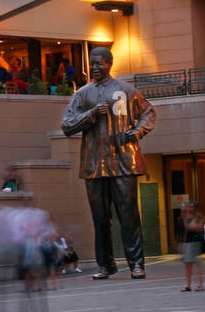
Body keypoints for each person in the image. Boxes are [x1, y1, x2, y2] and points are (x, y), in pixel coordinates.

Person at [60, 45, 157, 279]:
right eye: (91, 63)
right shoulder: (83, 94)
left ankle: (136, 264)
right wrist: (91, 114)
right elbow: (67, 125)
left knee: (129, 217)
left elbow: (149, 113)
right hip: (94, 166)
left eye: (98, 63)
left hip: (124, 161)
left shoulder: (126, 90)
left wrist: (139, 131)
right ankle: (106, 265)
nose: (94, 67)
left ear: (109, 64)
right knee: (100, 220)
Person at [179, 203, 205, 290]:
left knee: (197, 264)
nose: (188, 208)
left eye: (191, 206)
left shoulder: (197, 217)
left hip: (194, 242)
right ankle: (188, 285)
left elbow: (190, 227)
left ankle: (200, 285)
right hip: (186, 242)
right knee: (187, 265)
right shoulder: (184, 217)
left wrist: (184, 218)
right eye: (188, 206)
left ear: (195, 208)